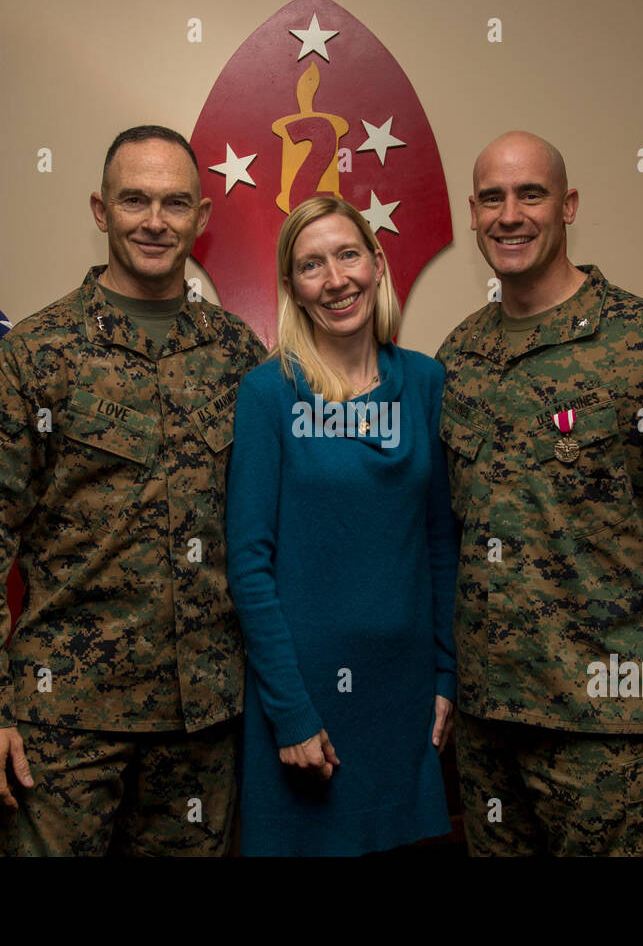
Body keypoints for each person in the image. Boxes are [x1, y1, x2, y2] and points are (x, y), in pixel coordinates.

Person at [0, 124, 266, 856]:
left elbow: (277, 526)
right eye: (133, 200)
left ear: (201, 219)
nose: (154, 221)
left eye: (175, 203)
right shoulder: (36, 355)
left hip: (201, 727)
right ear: (100, 210)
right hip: (61, 726)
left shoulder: (237, 354)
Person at [437, 131, 643, 856]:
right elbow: (437, 535)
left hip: (608, 723)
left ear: (568, 206)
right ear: (472, 213)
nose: (510, 214)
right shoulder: (459, 359)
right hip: (488, 722)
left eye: (531, 193)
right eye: (492, 198)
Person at [226, 196, 457, 856]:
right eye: (311, 265)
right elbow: (249, 563)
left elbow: (441, 540)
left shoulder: (425, 383)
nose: (335, 280)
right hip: (306, 702)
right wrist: (291, 713)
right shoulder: (269, 394)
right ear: (292, 288)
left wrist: (446, 678)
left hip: (406, 703)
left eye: (349, 254)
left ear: (378, 264)